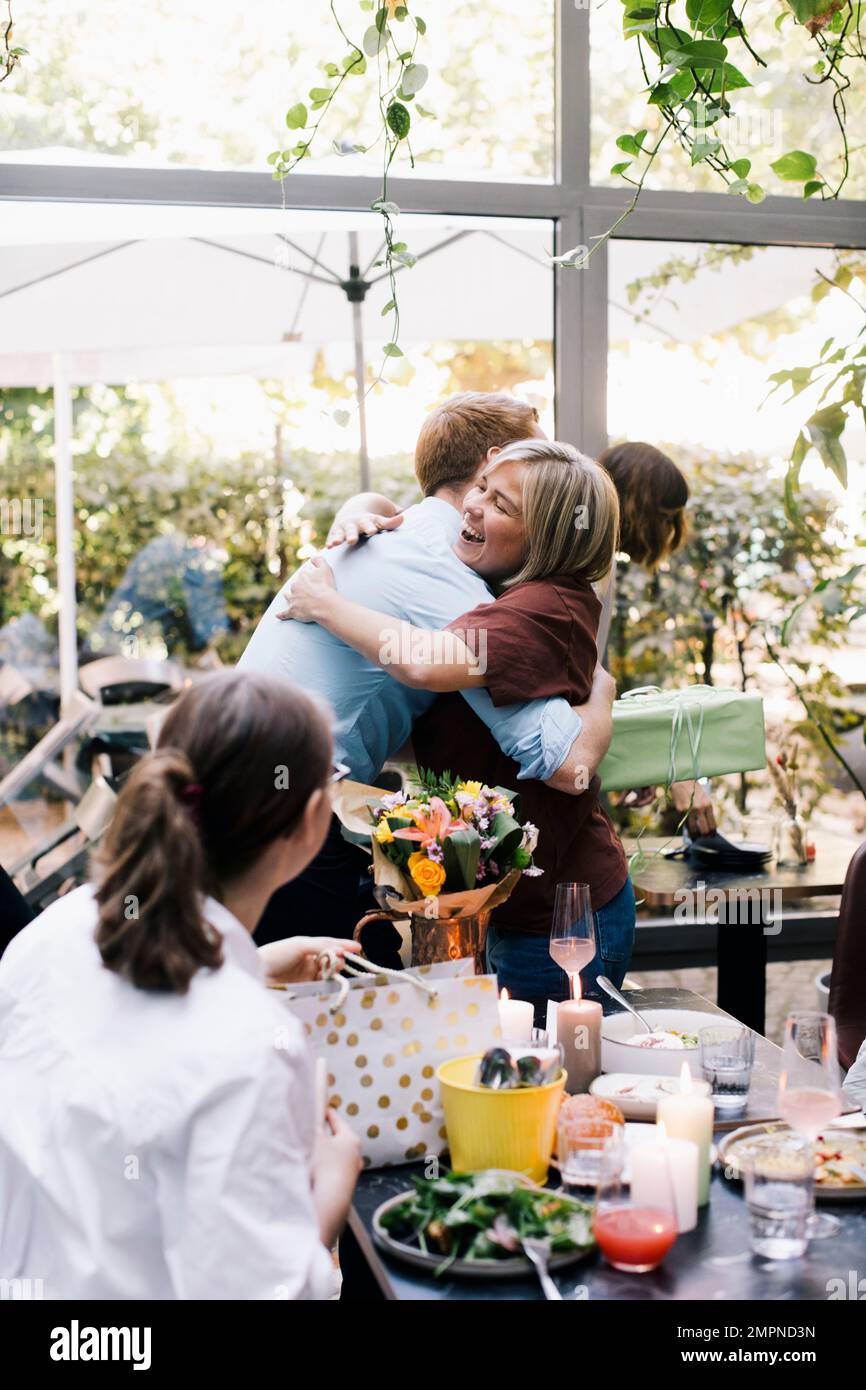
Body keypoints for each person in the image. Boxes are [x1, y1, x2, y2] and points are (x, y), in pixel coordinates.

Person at [0, 670, 362, 1300]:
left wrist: (248, 965)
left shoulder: (48, 934)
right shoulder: (255, 1046)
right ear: (311, 821)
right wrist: (329, 1187)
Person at [238, 394, 616, 954]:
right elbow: (562, 757)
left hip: (236, 799)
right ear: (494, 461)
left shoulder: (393, 535)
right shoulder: (445, 576)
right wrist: (603, 687)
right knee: (364, 1010)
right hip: (287, 822)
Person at [597, 440, 716, 837]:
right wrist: (673, 768)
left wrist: (636, 761)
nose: (669, 532)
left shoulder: (600, 564)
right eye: (665, 518)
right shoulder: (583, 567)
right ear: (636, 507)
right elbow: (574, 694)